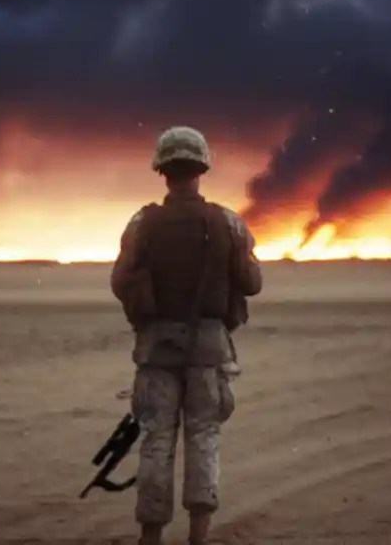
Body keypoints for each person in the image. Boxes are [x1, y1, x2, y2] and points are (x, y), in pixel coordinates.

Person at [110, 125, 263, 545]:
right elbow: (252, 282)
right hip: (207, 348)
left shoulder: (142, 223)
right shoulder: (227, 222)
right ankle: (199, 534)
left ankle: (151, 536)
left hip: (156, 348)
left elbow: (119, 280)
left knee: (156, 438)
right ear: (201, 168)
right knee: (204, 437)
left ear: (162, 170)